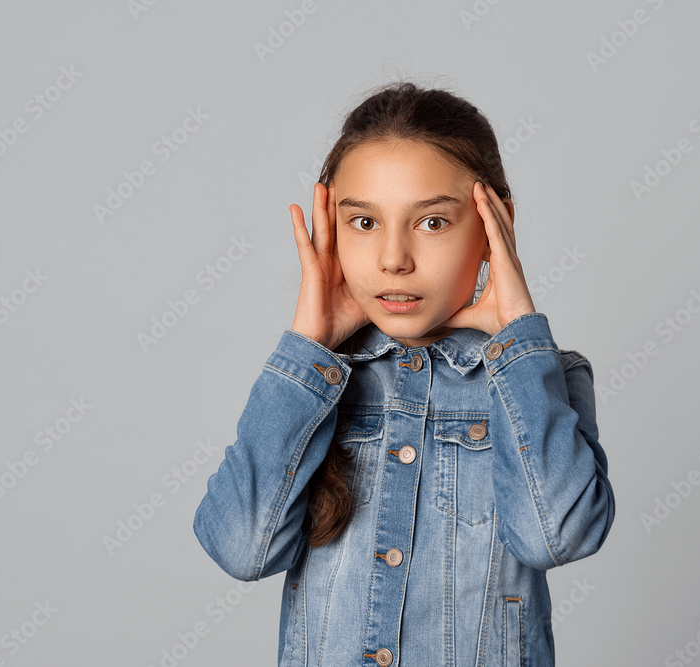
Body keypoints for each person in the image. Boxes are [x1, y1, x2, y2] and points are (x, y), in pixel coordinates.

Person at [192, 80, 615, 666]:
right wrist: (307, 349)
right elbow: (242, 549)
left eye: (432, 223)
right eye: (364, 223)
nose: (393, 258)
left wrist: (518, 331)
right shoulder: (315, 385)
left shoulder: (540, 380)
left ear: (496, 223)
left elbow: (557, 535)